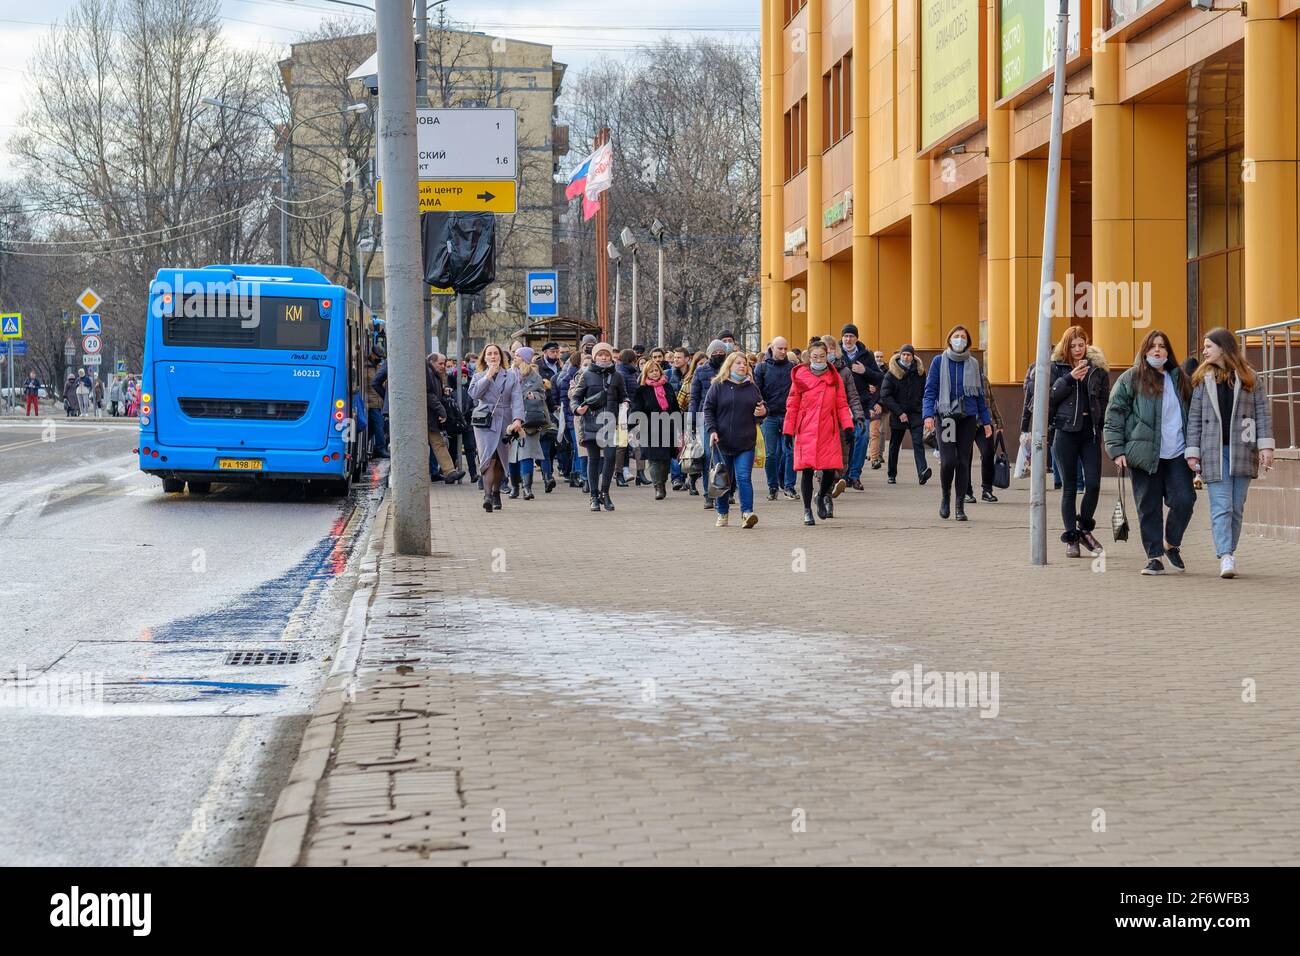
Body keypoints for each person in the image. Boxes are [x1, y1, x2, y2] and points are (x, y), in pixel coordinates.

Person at [1103, 329, 1196, 575]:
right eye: (1152, 346)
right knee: (1149, 507)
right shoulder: (1131, 378)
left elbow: (1194, 416)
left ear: (1168, 351)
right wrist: (1116, 450)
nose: (1157, 350)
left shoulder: (1180, 379)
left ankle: (1170, 543)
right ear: (1144, 351)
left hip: (1177, 453)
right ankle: (1154, 557)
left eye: (1162, 346)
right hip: (1143, 454)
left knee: (1185, 500)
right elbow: (1114, 414)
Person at [1185, 327, 1274, 578]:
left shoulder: (1250, 378)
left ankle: (1229, 551)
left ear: (1223, 348)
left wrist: (1266, 446)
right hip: (1213, 451)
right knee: (1221, 504)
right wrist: (1193, 451)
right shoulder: (1202, 380)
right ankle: (1225, 555)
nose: (1204, 351)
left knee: (1236, 506)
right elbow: (1194, 419)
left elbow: (1262, 415)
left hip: (1243, 450)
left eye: (1208, 346)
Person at [1023, 326, 1111, 557]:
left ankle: (1084, 530)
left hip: (1089, 433)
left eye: (1081, 344)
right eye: (1073, 346)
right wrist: (1069, 378)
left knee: (1092, 484)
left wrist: (1101, 429)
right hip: (1065, 433)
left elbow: (1104, 401)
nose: (1078, 349)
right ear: (1066, 347)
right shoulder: (1056, 368)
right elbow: (1047, 397)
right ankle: (1071, 537)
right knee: (1069, 487)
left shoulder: (1097, 369)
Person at [923, 324, 992, 521]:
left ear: (968, 341)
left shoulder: (973, 363)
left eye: (963, 336)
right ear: (949, 339)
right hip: (946, 418)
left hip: (967, 418)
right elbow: (930, 391)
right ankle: (946, 498)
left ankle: (960, 505)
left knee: (963, 461)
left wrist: (986, 421)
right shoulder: (939, 361)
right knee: (948, 461)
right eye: (956, 336)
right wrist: (928, 415)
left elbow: (980, 396)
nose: (959, 339)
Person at [784, 340, 853, 526]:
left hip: (827, 429)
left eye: (822, 356)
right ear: (809, 356)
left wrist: (847, 426)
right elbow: (792, 405)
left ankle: (822, 495)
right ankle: (807, 510)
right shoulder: (800, 376)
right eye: (815, 356)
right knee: (806, 470)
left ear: (827, 356)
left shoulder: (834, 377)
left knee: (830, 469)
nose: (819, 359)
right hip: (806, 428)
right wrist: (788, 431)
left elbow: (841, 404)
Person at [703, 351, 765, 528]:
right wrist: (712, 430)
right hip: (722, 441)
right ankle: (722, 513)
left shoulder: (752, 387)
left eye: (744, 363)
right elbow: (708, 409)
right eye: (738, 363)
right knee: (724, 478)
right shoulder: (718, 385)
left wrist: (763, 412)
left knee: (744, 477)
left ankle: (747, 513)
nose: (742, 366)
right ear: (729, 366)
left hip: (745, 441)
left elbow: (760, 409)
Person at [468, 343, 525, 513]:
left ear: (501, 357)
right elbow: (474, 395)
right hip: (485, 420)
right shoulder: (478, 376)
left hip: (505, 420)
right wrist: (488, 376)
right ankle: (487, 496)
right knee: (488, 458)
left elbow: (517, 399)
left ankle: (496, 493)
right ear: (484, 358)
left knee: (500, 459)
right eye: (489, 354)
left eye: (496, 354)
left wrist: (517, 420)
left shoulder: (511, 376)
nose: (493, 356)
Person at [571, 341, 627, 512]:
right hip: (591, 422)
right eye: (600, 354)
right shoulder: (586, 375)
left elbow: (623, 396)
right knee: (593, 460)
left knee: (610, 458)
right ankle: (594, 496)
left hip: (610, 422)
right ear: (595, 357)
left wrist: (625, 403)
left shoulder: (617, 376)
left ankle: (605, 493)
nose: (604, 357)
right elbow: (576, 397)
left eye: (607, 354)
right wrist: (576, 408)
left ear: (611, 357)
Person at [838, 324, 884, 488]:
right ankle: (842, 474)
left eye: (851, 336)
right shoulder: (836, 353)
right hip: (840, 404)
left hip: (861, 403)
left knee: (862, 437)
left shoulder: (866, 355)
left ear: (856, 338)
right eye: (845, 336)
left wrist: (865, 371)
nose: (848, 339)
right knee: (844, 440)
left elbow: (879, 378)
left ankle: (855, 475)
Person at [880, 345, 932, 485]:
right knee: (895, 445)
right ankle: (891, 474)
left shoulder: (920, 373)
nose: (906, 357)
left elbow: (925, 392)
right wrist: (899, 412)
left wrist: (925, 410)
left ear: (913, 357)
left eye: (909, 355)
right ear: (900, 355)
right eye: (904, 355)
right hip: (899, 414)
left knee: (918, 442)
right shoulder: (891, 373)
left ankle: (922, 472)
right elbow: (885, 395)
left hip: (916, 413)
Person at [754, 336, 797, 500]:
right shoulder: (762, 368)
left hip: (788, 416)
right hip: (770, 417)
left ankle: (789, 486)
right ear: (772, 348)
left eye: (786, 348)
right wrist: (762, 410)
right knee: (771, 454)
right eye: (780, 348)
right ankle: (772, 487)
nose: (784, 351)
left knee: (790, 452)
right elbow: (757, 392)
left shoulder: (793, 368)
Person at [506, 347, 552, 500]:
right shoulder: (509, 374)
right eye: (515, 355)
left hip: (530, 420)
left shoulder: (535, 376)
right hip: (511, 419)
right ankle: (514, 487)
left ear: (525, 359)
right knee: (512, 455)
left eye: (518, 355)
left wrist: (535, 395)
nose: (515, 357)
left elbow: (542, 394)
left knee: (527, 453)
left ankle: (527, 488)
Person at [631, 360, 680, 500]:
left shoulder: (668, 387)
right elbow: (636, 409)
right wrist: (633, 425)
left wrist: (680, 425)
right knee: (653, 460)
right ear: (646, 373)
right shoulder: (642, 390)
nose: (654, 373)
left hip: (667, 426)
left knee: (665, 460)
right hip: (650, 427)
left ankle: (662, 482)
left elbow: (675, 407)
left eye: (656, 370)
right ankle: (657, 486)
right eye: (651, 371)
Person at [691, 340, 729, 509]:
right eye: (715, 352)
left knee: (724, 457)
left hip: (726, 417)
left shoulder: (728, 370)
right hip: (704, 418)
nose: (718, 354)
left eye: (722, 351)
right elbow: (694, 398)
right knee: (708, 456)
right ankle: (708, 493)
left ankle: (725, 491)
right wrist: (691, 420)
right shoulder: (700, 371)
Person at [969, 355, 1007, 505]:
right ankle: (966, 492)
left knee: (987, 454)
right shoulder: (960, 381)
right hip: (966, 423)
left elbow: (991, 401)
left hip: (984, 423)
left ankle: (987, 490)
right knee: (965, 458)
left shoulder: (984, 380)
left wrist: (999, 422)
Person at [426, 353, 465, 484]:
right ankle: (449, 472)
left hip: (430, 417)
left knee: (439, 444)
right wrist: (441, 410)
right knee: (437, 444)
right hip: (426, 417)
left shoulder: (434, 374)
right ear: (432, 362)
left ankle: (450, 472)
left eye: (444, 363)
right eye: (441, 363)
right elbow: (429, 395)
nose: (443, 366)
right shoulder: (429, 373)